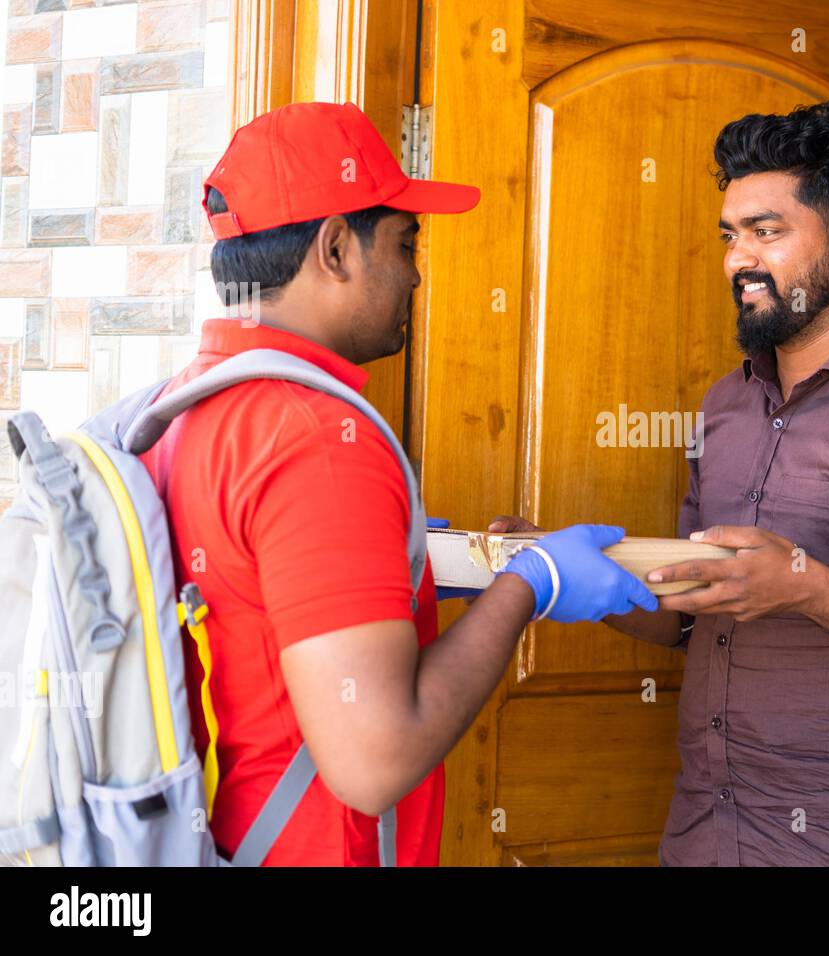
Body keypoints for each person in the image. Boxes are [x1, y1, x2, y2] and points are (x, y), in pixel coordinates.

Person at [495, 100, 829, 866]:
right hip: (699, 837)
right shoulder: (724, 406)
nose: (737, 259)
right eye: (729, 234)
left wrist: (810, 587)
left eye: (767, 232)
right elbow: (688, 616)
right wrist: (557, 568)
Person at [141, 101, 656, 866]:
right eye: (408, 243)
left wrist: (408, 568)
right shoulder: (316, 439)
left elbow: (266, 603)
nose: (417, 274)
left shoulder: (185, 407)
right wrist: (529, 584)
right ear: (337, 248)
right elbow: (373, 761)